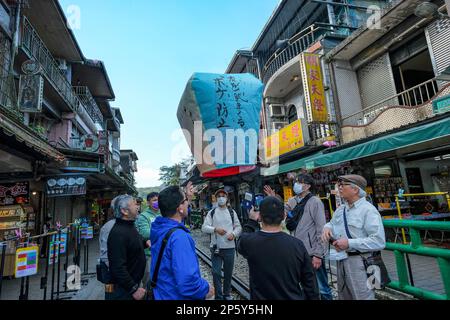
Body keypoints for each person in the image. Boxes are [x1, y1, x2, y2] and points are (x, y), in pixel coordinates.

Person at [237, 197, 319, 300]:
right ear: (284, 216)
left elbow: (240, 242)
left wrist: (251, 221)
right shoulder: (297, 245)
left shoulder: (249, 242)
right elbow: (310, 283)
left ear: (260, 217)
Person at [322, 175, 386, 300]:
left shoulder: (368, 210)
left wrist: (349, 243)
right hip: (342, 260)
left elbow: (379, 241)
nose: (339, 188)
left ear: (355, 189)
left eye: (342, 185)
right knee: (344, 296)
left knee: (364, 296)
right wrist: (327, 227)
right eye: (338, 185)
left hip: (362, 261)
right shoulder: (341, 209)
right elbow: (332, 223)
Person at [150, 184, 214, 300]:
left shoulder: (160, 228)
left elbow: (178, 218)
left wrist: (186, 198)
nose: (187, 204)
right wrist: (205, 288)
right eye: (185, 201)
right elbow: (187, 283)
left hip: (162, 293)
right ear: (179, 207)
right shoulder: (180, 237)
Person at [288, 174, 333, 300]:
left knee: (322, 287)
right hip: (297, 251)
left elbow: (321, 229)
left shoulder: (315, 202)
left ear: (307, 186)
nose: (296, 184)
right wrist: (273, 198)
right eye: (295, 181)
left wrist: (318, 254)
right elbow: (282, 212)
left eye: (299, 182)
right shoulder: (293, 201)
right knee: (305, 286)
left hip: (312, 252)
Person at [107, 195, 150, 300]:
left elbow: (132, 243)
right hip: (124, 291)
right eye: (134, 204)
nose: (138, 206)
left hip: (132, 284)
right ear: (124, 211)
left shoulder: (129, 226)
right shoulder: (118, 233)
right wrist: (133, 289)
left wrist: (145, 243)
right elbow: (117, 267)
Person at [201, 189, 242, 300]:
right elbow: (204, 227)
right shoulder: (212, 212)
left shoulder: (232, 212)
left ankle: (227, 294)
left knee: (228, 273)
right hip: (216, 248)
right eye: (218, 196)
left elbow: (239, 227)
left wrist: (233, 234)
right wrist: (215, 229)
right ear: (216, 198)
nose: (221, 198)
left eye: (223, 195)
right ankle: (219, 296)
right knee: (216, 272)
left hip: (229, 247)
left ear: (227, 198)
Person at [135, 192, 160, 288]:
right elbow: (145, 233)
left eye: (158, 200)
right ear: (148, 203)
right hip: (149, 254)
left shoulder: (163, 214)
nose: (157, 202)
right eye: (154, 200)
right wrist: (163, 231)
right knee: (149, 281)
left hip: (162, 253)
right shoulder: (143, 216)